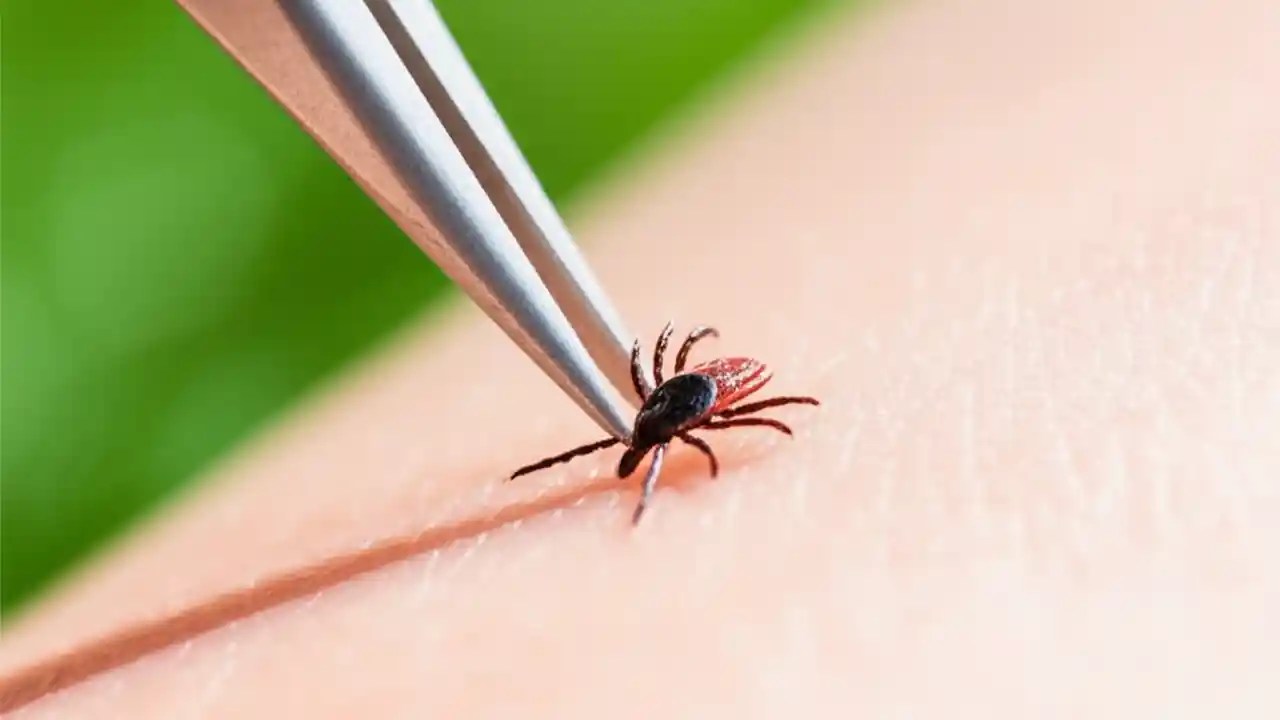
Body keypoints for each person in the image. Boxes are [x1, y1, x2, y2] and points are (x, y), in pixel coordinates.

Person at [2, 0, 1275, 714]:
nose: (658, 435)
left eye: (659, 432)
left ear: (665, 422)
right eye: (660, 433)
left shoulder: (659, 408)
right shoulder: (677, 407)